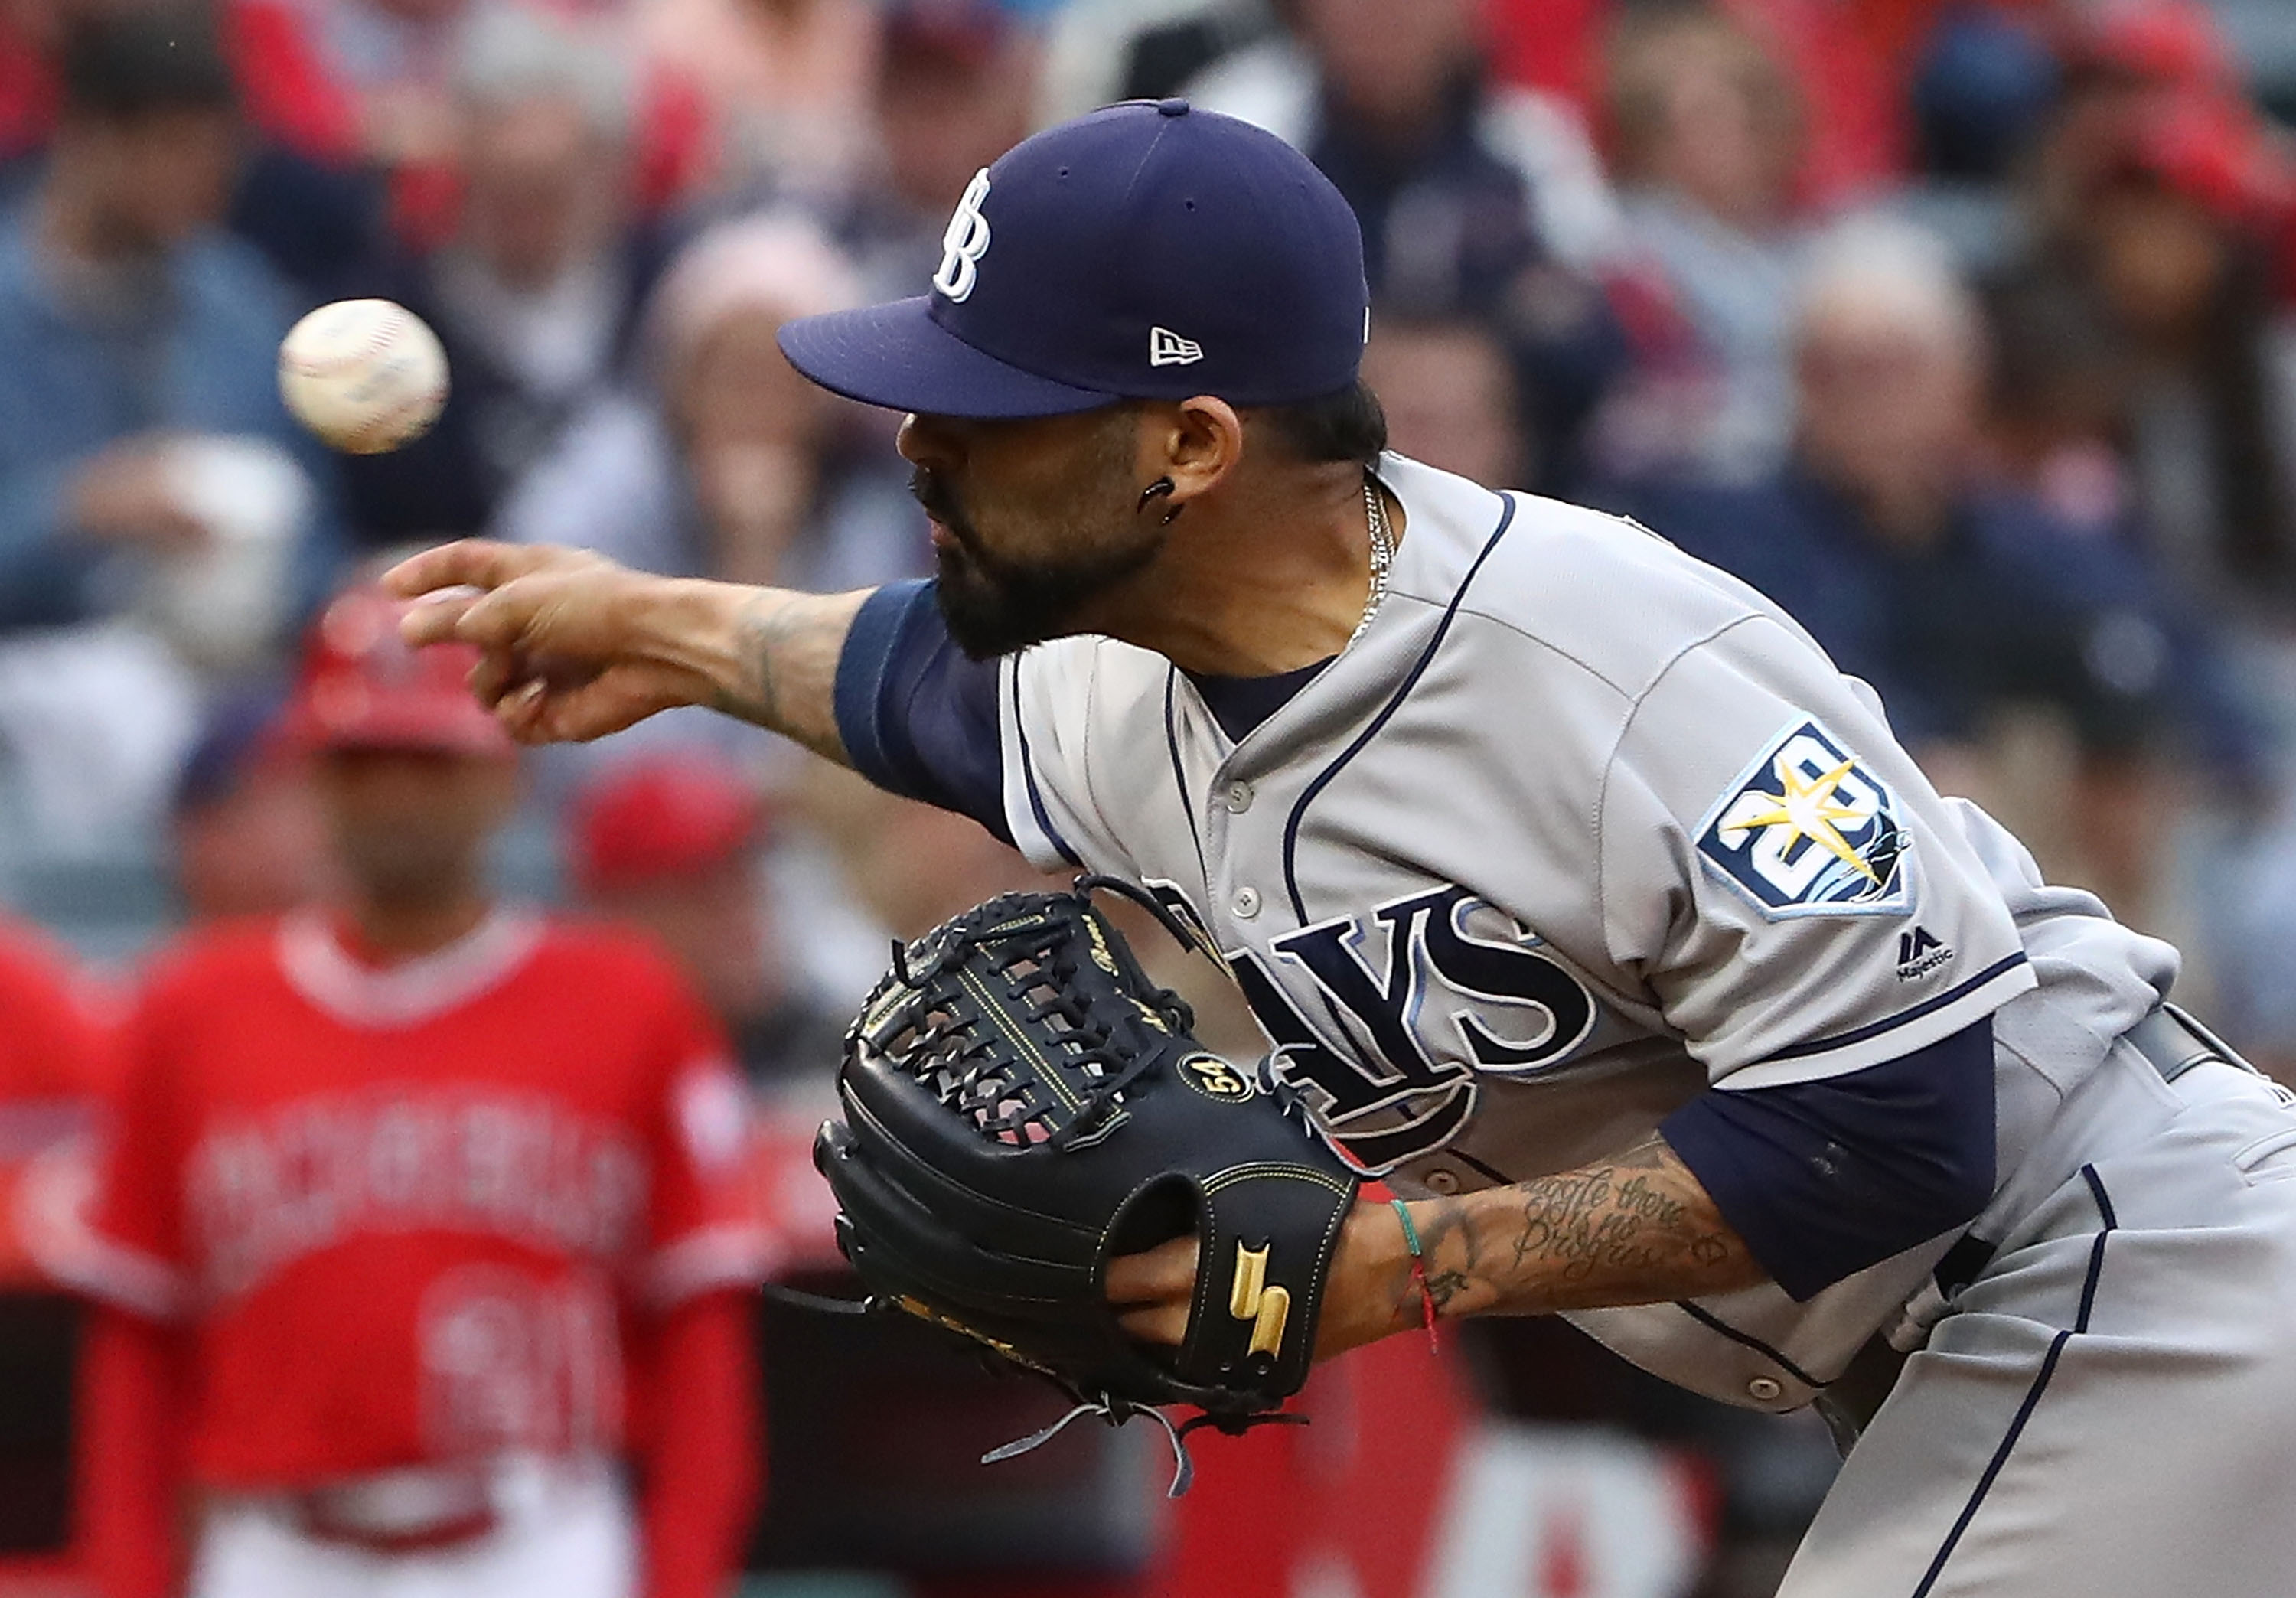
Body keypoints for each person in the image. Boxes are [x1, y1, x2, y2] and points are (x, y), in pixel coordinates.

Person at [387, 101, 2296, 1595]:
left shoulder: (1618, 669)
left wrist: (1391, 1261)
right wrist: (659, 625)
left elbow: (1889, 1132)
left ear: (1188, 447)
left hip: (2124, 1261)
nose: (914, 448)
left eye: (984, 413)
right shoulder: (1119, 680)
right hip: (1957, 1347)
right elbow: (906, 682)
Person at [55, 579, 766, 1598]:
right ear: (310, 771)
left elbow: (698, 1330)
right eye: (362, 759)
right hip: (275, 1551)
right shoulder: (190, 1010)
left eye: (428, 759)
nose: (394, 794)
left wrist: (683, 1576)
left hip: (540, 1540)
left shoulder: (628, 1002)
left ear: (503, 775)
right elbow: (134, 1343)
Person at [568, 753, 846, 1089]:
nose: (739, 912)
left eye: (744, 874)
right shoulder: (585, 1079)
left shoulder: (831, 1048)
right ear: (618, 912)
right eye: (700, 888)